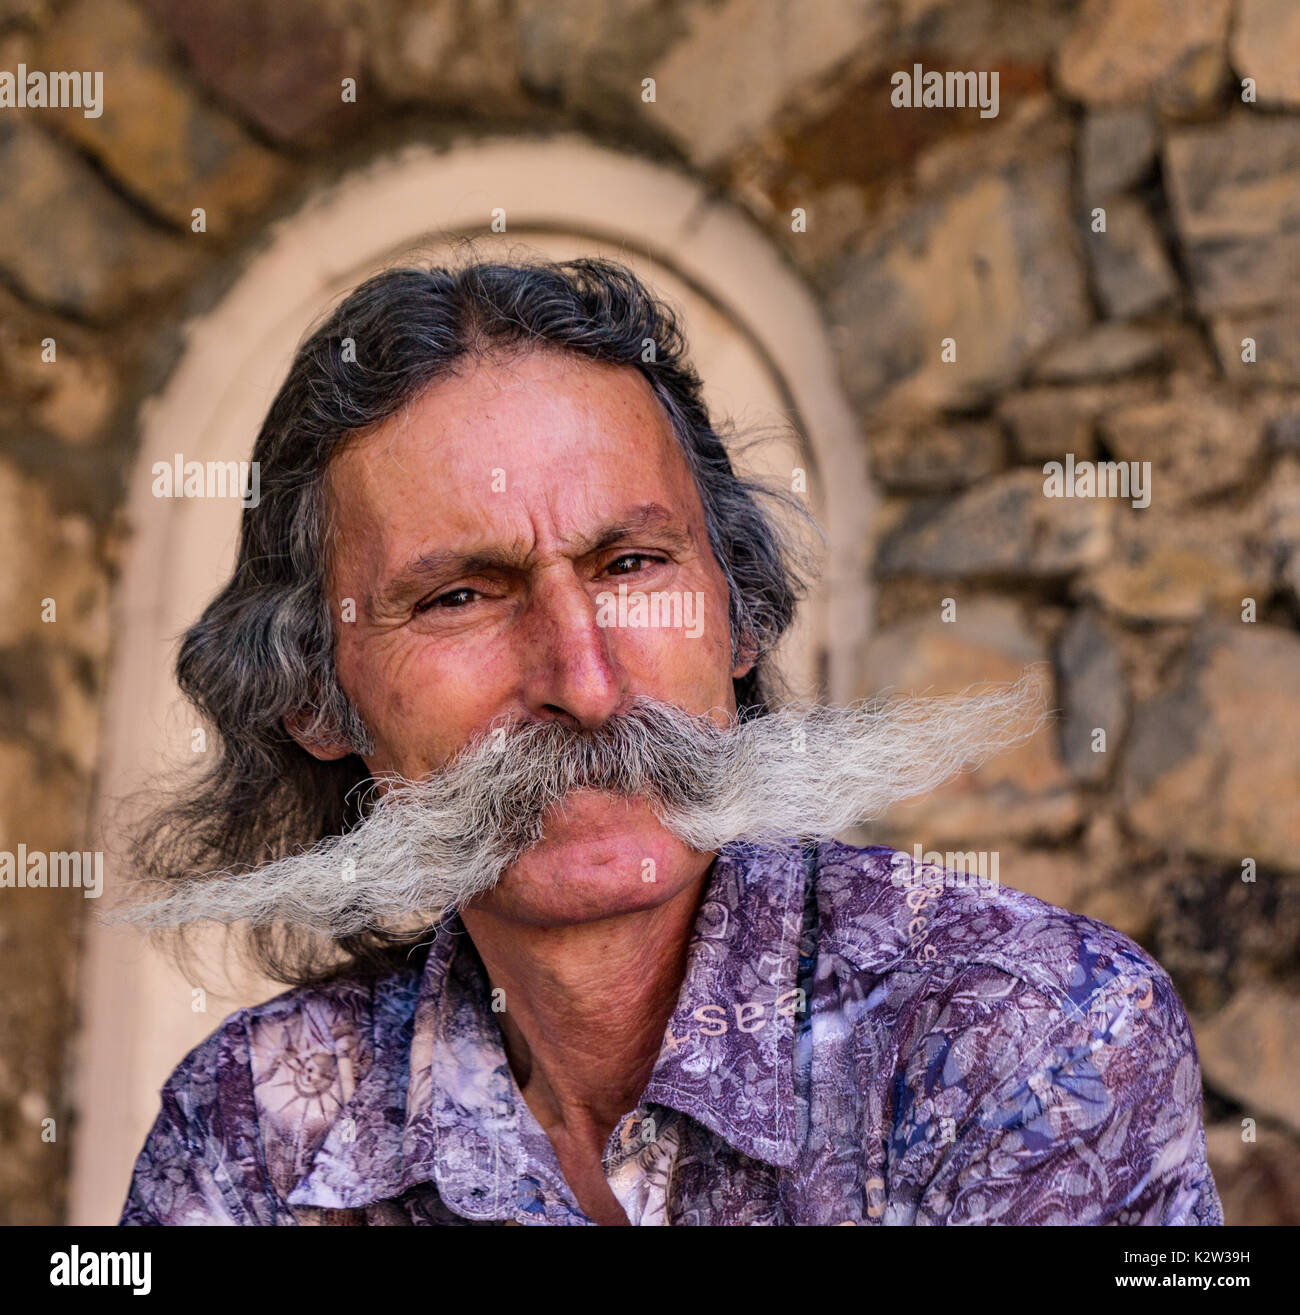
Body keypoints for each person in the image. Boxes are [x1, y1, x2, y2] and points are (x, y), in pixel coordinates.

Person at [113, 253, 1222, 1226]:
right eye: (459, 595)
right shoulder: (257, 1131)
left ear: (739, 614)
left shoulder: (1020, 1036)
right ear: (314, 697)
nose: (585, 686)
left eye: (631, 565)